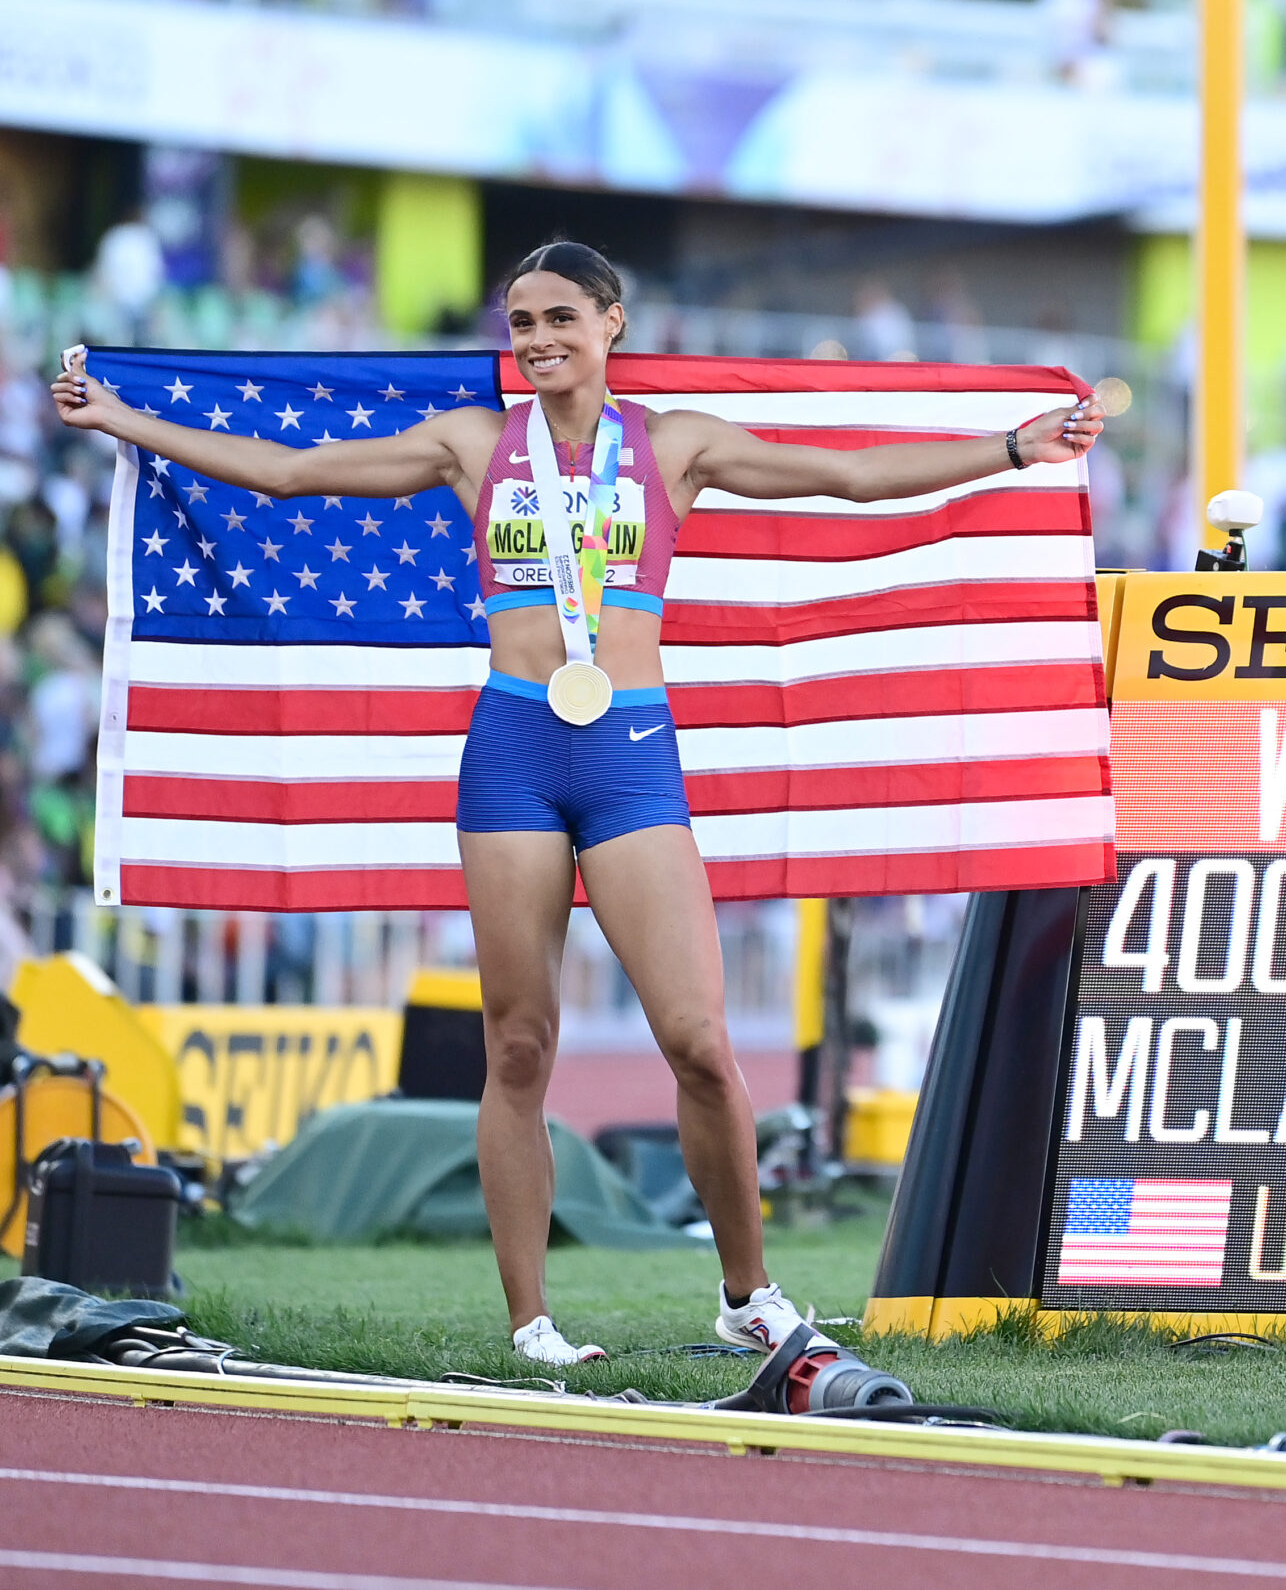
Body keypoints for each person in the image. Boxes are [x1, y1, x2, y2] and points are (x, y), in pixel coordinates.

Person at [53, 240, 1099, 1364]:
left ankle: (747, 1294)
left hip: (631, 754)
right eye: (521, 324)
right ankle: (531, 1322)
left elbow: (846, 478)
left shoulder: (674, 445)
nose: (539, 340)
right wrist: (122, 419)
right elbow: (293, 474)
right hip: (512, 747)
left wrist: (1009, 448)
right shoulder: (470, 443)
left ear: (612, 322)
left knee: (698, 1040)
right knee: (517, 1046)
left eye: (560, 318)